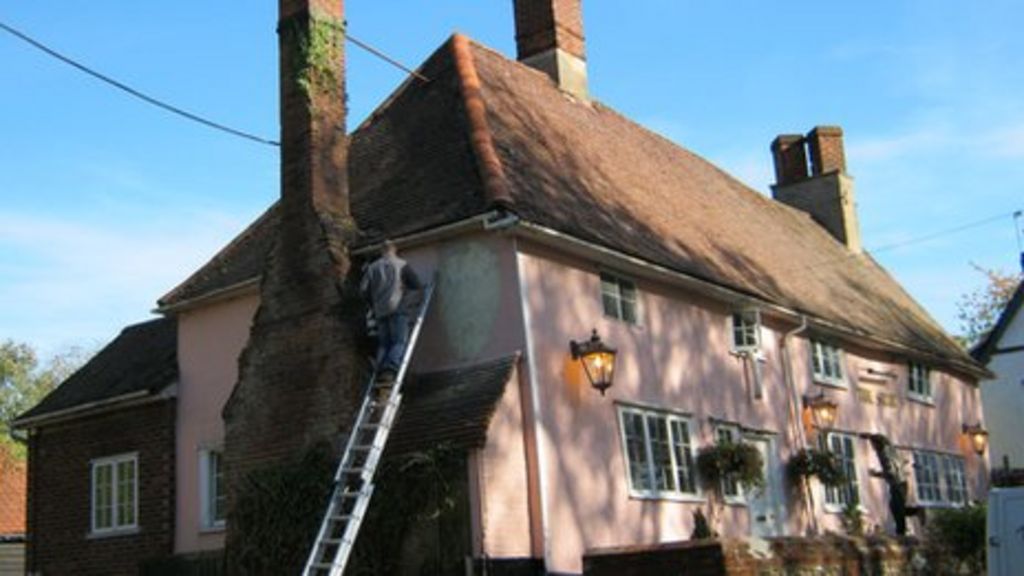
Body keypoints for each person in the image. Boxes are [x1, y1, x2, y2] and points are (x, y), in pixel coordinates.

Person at [360, 240, 423, 383]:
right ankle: (389, 369)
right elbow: (416, 286)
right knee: (399, 342)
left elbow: (363, 290)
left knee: (384, 343)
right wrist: (409, 302)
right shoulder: (401, 264)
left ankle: (379, 371)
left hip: (380, 311)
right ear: (394, 250)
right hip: (397, 309)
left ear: (382, 251)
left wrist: (374, 304)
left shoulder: (372, 268)